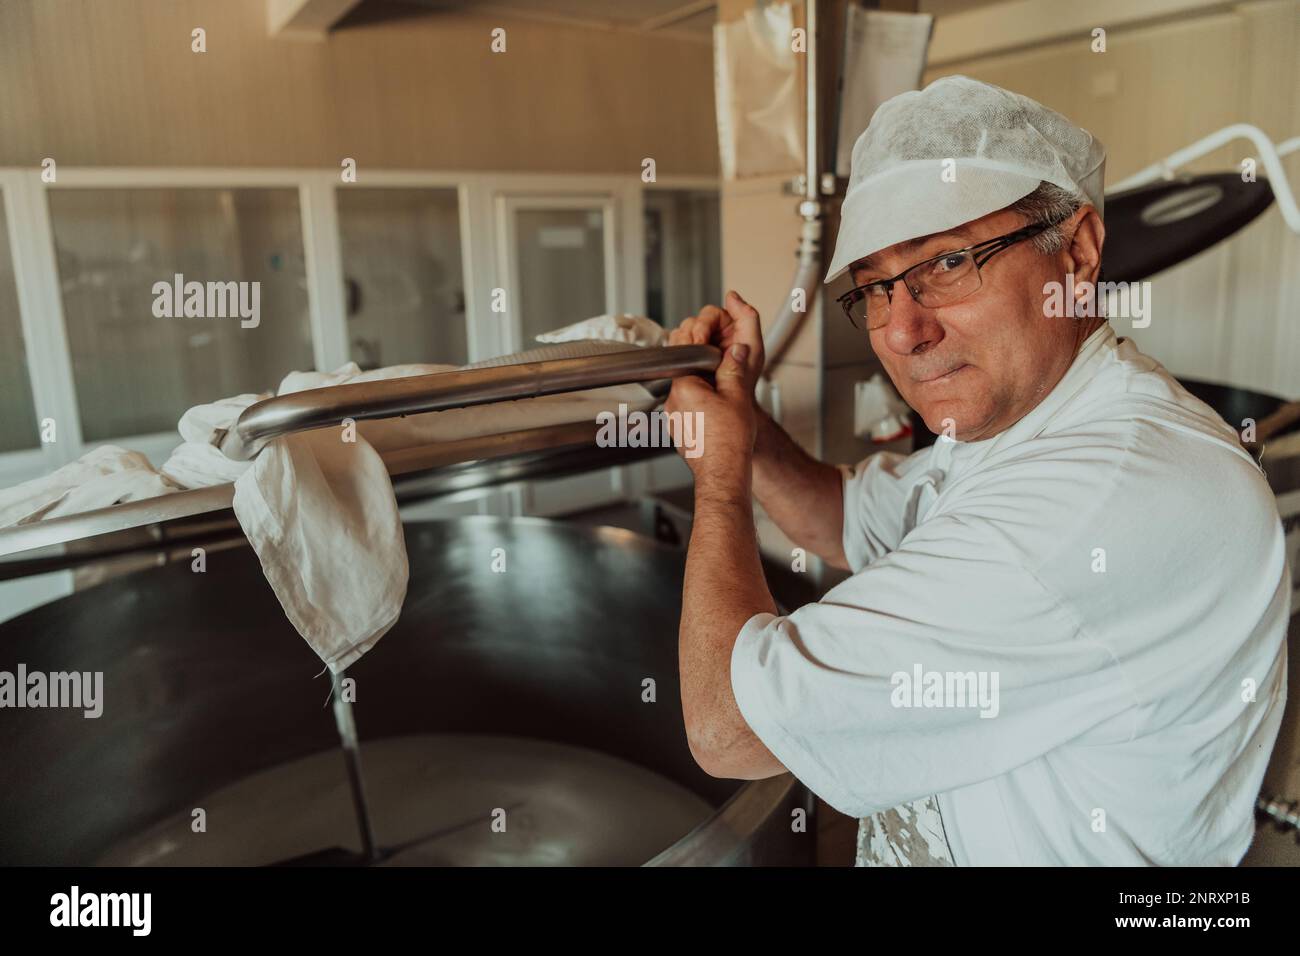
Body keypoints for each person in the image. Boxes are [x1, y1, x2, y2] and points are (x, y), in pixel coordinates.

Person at [664, 75, 1289, 866]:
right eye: (876, 290)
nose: (902, 330)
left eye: (949, 263)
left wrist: (717, 478)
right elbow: (841, 518)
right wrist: (743, 421)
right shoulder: (1023, 421)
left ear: (1080, 252)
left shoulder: (1105, 496)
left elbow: (727, 726)